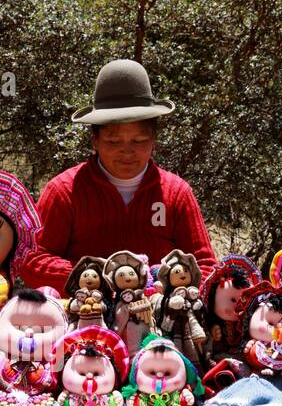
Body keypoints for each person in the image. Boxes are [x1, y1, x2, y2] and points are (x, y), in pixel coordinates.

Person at [20, 59, 216, 294]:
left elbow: (206, 266)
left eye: (139, 140)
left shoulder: (176, 193)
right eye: (114, 141)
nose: (127, 150)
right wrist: (96, 277)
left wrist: (165, 289)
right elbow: (32, 261)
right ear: (95, 140)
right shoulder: (64, 191)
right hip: (84, 320)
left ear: (153, 140)